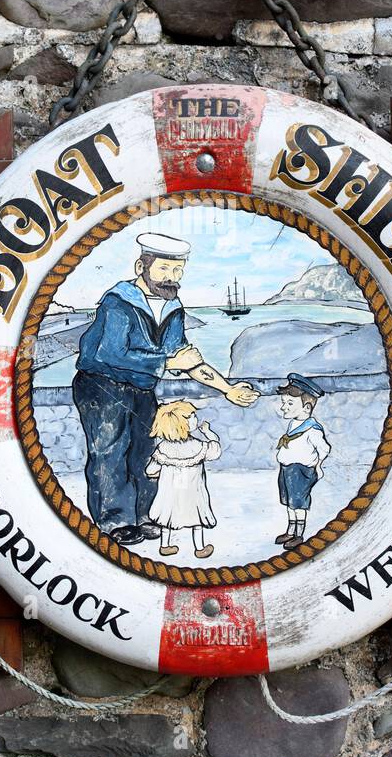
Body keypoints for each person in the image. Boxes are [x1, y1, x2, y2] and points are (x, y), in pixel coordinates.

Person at [72, 231, 258, 547]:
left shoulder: (173, 308)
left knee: (145, 450)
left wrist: (226, 389)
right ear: (141, 266)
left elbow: (185, 357)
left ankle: (144, 516)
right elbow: (110, 353)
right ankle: (115, 521)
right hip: (102, 386)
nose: (171, 278)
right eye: (164, 270)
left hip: (141, 388)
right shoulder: (118, 302)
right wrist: (166, 364)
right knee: (109, 451)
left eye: (177, 271)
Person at [146, 401, 221, 559]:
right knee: (196, 520)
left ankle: (165, 546)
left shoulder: (163, 448)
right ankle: (200, 549)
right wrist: (208, 433)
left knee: (167, 518)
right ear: (181, 424)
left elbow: (150, 470)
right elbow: (215, 450)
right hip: (193, 491)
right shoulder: (197, 446)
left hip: (170, 491)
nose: (195, 418)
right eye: (191, 416)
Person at [274, 373, 330, 549]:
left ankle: (299, 534)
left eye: (289, 403)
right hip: (287, 470)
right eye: (284, 403)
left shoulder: (312, 430)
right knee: (289, 502)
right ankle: (290, 531)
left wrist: (317, 465)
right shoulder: (293, 425)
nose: (284, 407)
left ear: (306, 408)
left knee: (299, 504)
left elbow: (324, 449)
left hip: (301, 472)